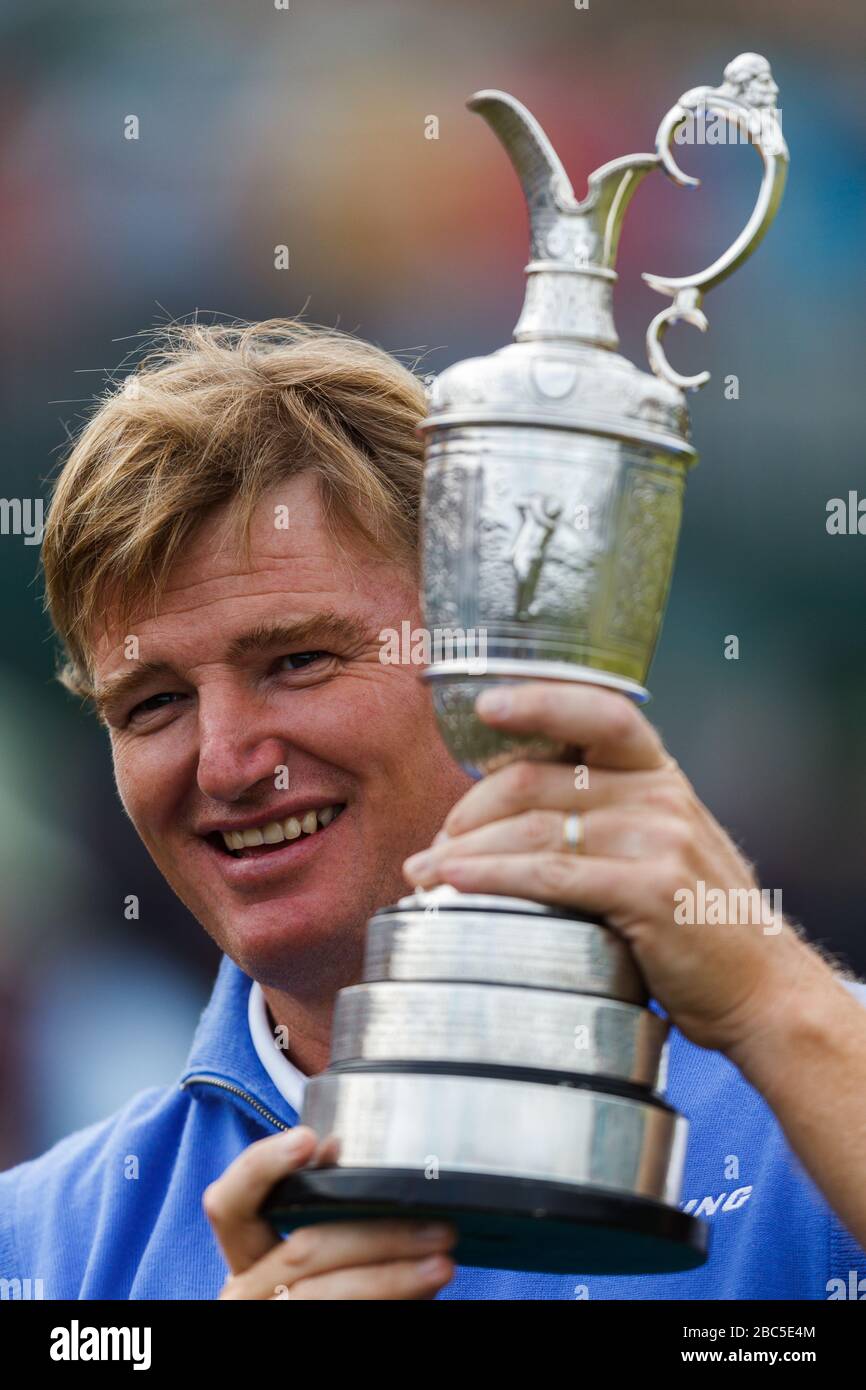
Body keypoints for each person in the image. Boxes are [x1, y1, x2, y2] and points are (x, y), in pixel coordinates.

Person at [1, 319, 864, 1301]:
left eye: (297, 660)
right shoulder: (38, 1250)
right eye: (152, 703)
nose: (227, 764)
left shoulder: (814, 1119)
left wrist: (773, 1004)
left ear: (483, 657)